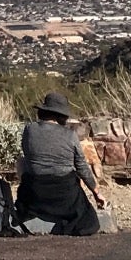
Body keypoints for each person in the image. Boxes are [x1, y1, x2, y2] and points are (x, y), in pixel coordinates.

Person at [15, 92, 104, 235]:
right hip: (65, 198)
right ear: (62, 115)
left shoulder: (29, 130)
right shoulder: (70, 135)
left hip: (34, 195)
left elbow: (27, 155)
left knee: (21, 161)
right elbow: (82, 167)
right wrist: (96, 192)